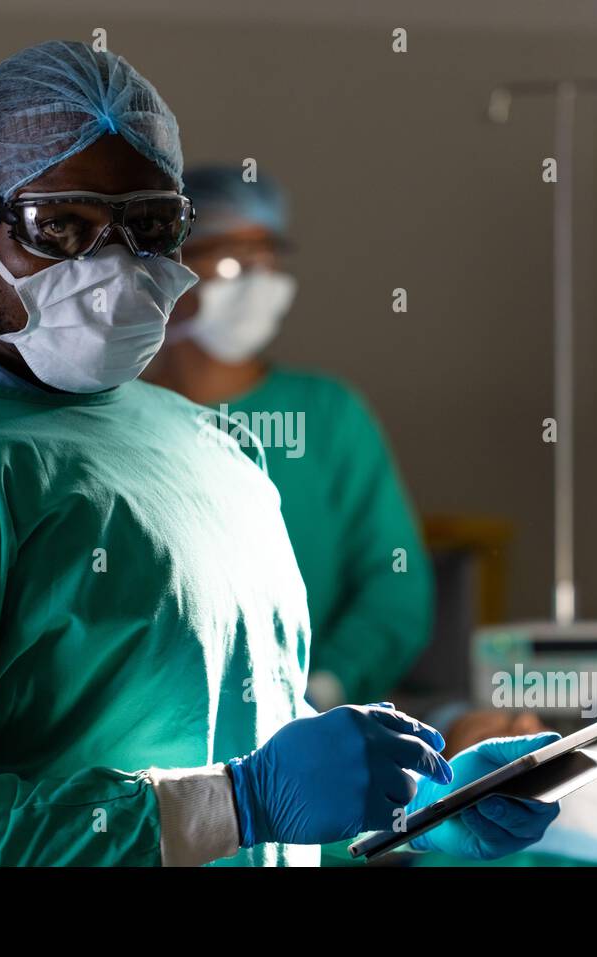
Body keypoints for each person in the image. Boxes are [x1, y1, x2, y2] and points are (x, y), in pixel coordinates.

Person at [0, 41, 559, 866]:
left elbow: (247, 753)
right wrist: (236, 804)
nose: (112, 264)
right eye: (61, 225)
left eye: (151, 226)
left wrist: (410, 804)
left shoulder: (203, 445)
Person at [146, 167, 432, 710]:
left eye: (268, 259)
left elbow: (395, 588)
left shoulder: (328, 415)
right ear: (167, 270)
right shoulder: (118, 420)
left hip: (314, 722)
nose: (257, 280)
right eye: (231, 261)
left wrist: (321, 692)